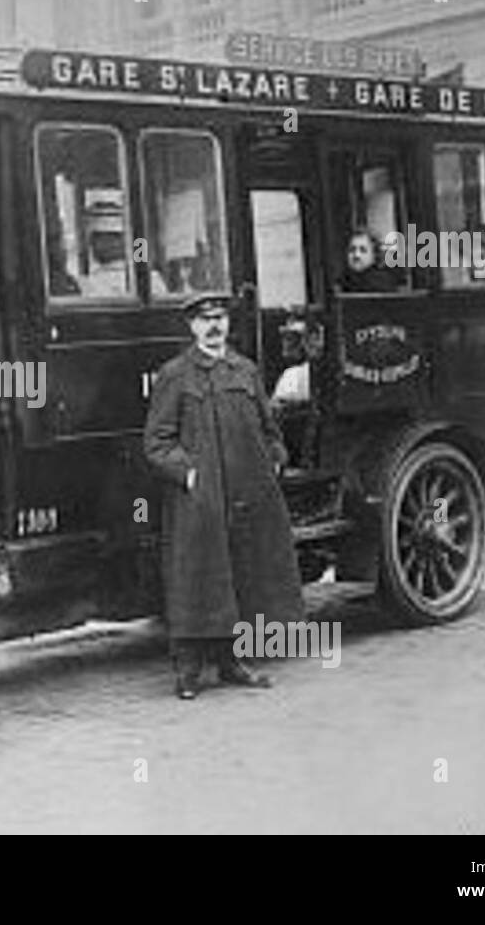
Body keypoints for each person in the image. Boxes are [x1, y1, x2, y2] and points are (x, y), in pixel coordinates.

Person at [143, 293, 305, 699]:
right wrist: (191, 474)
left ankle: (233, 662)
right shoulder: (175, 375)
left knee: (241, 576)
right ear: (192, 327)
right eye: (205, 320)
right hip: (200, 502)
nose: (214, 326)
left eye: (220, 318)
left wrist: (275, 459)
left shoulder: (245, 371)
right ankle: (188, 670)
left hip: (246, 496)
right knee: (196, 579)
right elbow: (157, 442)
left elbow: (269, 429)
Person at [339, 228, 401, 294]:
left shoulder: (383, 283)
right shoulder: (342, 282)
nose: (357, 255)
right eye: (352, 250)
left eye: (363, 250)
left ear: (374, 255)